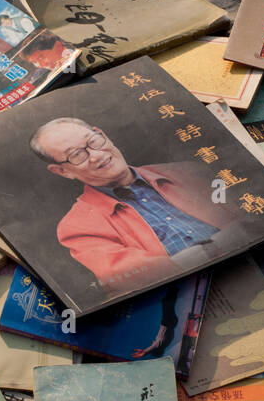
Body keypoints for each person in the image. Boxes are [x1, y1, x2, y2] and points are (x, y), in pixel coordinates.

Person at [29, 117, 230, 290]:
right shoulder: (76, 226)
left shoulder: (189, 172)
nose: (97, 155)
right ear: (63, 171)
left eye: (94, 141)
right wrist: (219, 246)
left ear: (102, 134)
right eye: (77, 155)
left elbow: (251, 215)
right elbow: (132, 276)